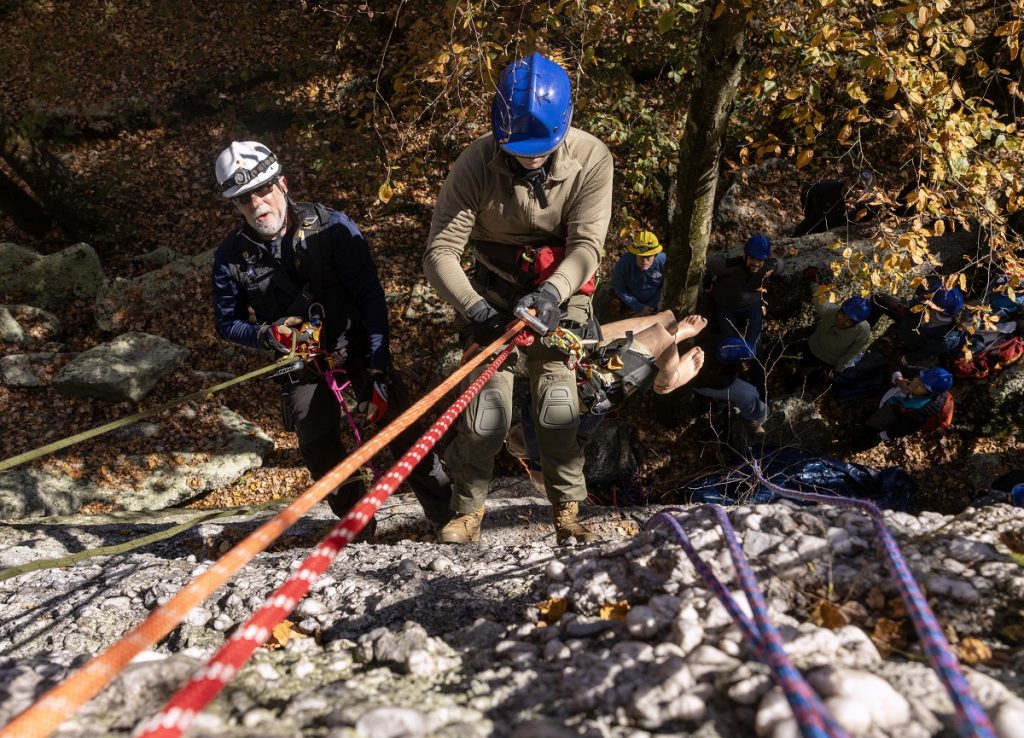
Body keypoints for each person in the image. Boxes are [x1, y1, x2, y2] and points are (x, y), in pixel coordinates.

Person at [211, 141, 453, 538]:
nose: (257, 204)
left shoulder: (333, 228)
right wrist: (266, 335)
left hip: (356, 345)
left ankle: (446, 514)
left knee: (400, 423)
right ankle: (356, 522)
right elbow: (227, 323)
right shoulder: (232, 258)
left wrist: (377, 365)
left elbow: (370, 297)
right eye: (243, 200)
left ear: (282, 184)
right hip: (299, 363)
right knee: (316, 438)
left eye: (263, 190)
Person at [422, 52, 614, 544]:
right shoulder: (476, 163)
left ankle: (568, 509)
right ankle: (467, 511)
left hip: (561, 291)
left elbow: (587, 247)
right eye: (519, 148)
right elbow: (441, 251)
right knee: (488, 409)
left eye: (540, 148)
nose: (530, 158)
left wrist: (552, 294)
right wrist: (477, 309)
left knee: (555, 398)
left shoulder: (591, 159)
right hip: (494, 291)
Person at [509, 313, 708, 491]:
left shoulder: (531, 419)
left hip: (577, 365)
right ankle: (669, 381)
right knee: (660, 337)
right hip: (598, 385)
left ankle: (675, 332)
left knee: (660, 322)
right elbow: (547, 483)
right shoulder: (553, 449)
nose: (521, 434)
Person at [705, 234, 783, 351]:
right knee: (731, 346)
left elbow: (781, 265)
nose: (756, 263)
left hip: (752, 307)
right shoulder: (728, 266)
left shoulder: (767, 267)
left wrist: (775, 265)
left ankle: (755, 365)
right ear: (745, 255)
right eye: (752, 258)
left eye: (760, 259)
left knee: (754, 346)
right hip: (726, 309)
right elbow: (710, 264)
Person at [853, 367, 954, 450]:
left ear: (931, 393)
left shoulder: (920, 411)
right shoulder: (924, 375)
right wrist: (899, 380)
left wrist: (881, 436)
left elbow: (902, 428)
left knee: (869, 434)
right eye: (918, 379)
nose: (915, 384)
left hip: (889, 419)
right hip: (889, 401)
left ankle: (857, 446)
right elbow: (899, 370)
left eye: (922, 387)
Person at [873, 278, 966, 368]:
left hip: (910, 341)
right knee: (878, 298)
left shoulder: (947, 338)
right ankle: (868, 322)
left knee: (879, 356)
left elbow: (925, 352)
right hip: (908, 318)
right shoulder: (934, 298)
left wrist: (906, 359)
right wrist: (906, 307)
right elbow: (917, 301)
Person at [788, 296, 874, 389]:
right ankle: (798, 381)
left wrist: (838, 369)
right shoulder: (829, 310)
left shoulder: (863, 331)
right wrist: (814, 283)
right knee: (803, 373)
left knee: (823, 377)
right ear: (841, 309)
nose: (842, 321)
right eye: (842, 314)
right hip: (815, 349)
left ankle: (815, 380)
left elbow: (852, 352)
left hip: (833, 360)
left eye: (849, 321)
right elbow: (817, 294)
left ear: (857, 322)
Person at [690, 336, 768, 434]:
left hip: (715, 372)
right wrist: (737, 370)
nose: (745, 364)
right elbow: (721, 380)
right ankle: (755, 420)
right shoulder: (719, 377)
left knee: (752, 389)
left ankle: (755, 413)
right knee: (749, 394)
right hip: (703, 384)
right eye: (743, 361)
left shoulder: (718, 343)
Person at [792, 171, 879, 237]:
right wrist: (808, 212)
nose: (854, 188)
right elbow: (806, 191)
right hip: (812, 223)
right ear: (847, 179)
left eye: (860, 187)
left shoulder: (868, 204)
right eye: (853, 182)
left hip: (837, 237)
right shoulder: (826, 187)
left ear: (865, 191)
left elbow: (872, 214)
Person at [611, 231, 667, 317]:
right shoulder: (624, 263)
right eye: (641, 256)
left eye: (648, 257)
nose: (644, 261)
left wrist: (652, 305)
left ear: (655, 255)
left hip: (657, 304)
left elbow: (666, 285)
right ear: (635, 254)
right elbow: (619, 287)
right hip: (631, 305)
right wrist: (638, 307)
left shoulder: (663, 261)